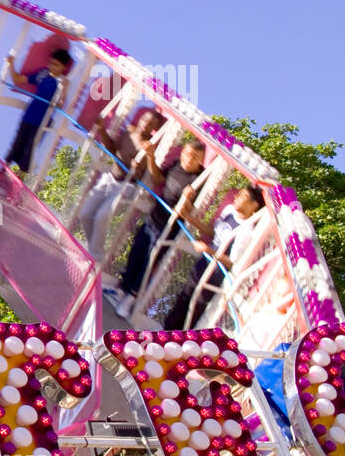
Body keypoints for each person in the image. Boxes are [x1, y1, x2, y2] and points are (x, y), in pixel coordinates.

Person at [105, 137, 207, 319]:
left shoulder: (200, 181)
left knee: (149, 260)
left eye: (193, 156)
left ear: (200, 159)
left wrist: (188, 198)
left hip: (170, 226)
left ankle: (131, 298)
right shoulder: (177, 165)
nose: (187, 159)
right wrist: (151, 157)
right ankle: (123, 288)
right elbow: (158, 178)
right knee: (137, 249)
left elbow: (192, 211)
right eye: (186, 153)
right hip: (155, 216)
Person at [162, 185, 266, 329]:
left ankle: (180, 337)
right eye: (239, 194)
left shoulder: (246, 231)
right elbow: (214, 233)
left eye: (243, 197)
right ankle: (165, 330)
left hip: (215, 272)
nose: (237, 198)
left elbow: (231, 262)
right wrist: (188, 217)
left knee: (196, 305)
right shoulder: (229, 210)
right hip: (203, 262)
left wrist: (209, 250)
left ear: (253, 205)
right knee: (184, 296)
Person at [75, 108, 166, 261]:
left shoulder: (148, 147)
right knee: (85, 214)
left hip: (127, 186)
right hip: (110, 178)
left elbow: (150, 175)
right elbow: (112, 148)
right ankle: (92, 250)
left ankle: (95, 257)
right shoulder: (128, 131)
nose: (146, 125)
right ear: (140, 118)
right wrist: (102, 129)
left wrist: (140, 164)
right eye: (145, 120)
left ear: (154, 129)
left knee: (101, 216)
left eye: (151, 124)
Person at [3, 47, 72, 173]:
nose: (52, 67)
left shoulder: (63, 82)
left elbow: (60, 106)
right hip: (29, 115)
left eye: (56, 65)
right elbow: (18, 79)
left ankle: (18, 180)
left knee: (30, 150)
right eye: (51, 63)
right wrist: (11, 64)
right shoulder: (43, 73)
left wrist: (64, 91)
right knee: (17, 144)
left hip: (43, 121)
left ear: (63, 67)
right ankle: (2, 170)